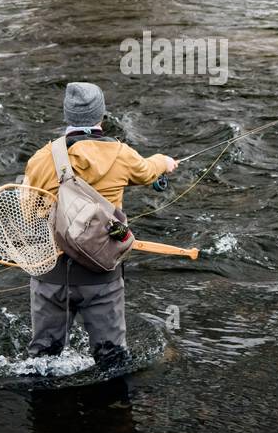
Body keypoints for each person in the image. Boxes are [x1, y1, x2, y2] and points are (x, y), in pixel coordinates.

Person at [22, 81, 177, 366]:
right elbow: (146, 171)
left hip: (51, 275)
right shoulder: (122, 155)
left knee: (41, 361)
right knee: (113, 361)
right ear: (101, 115)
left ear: (67, 115)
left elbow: (28, 212)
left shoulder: (42, 159)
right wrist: (164, 162)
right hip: (101, 274)